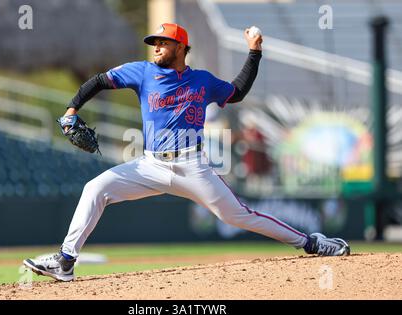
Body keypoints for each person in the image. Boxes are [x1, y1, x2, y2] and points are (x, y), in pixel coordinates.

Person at [23, 23, 350, 282]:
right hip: (149, 165)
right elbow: (97, 81)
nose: (157, 48)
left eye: (163, 43)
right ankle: (65, 262)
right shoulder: (142, 72)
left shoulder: (201, 81)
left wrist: (254, 52)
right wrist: (70, 111)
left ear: (181, 47)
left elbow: (236, 93)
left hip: (192, 165)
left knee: (237, 216)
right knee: (95, 189)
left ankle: (310, 243)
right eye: (155, 43)